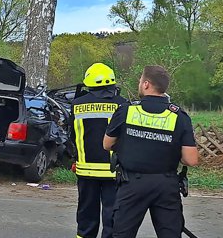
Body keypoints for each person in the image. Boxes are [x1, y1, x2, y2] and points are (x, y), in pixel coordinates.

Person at [103, 65, 199, 238]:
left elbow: (107, 144)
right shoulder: (179, 115)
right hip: (166, 184)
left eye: (140, 80)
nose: (139, 83)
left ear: (146, 84)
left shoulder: (127, 110)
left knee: (122, 234)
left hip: (132, 183)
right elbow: (191, 160)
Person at [70, 63, 128, 238]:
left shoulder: (76, 104)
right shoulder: (122, 105)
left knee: (86, 216)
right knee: (112, 216)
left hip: (85, 170)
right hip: (113, 171)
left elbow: (72, 135)